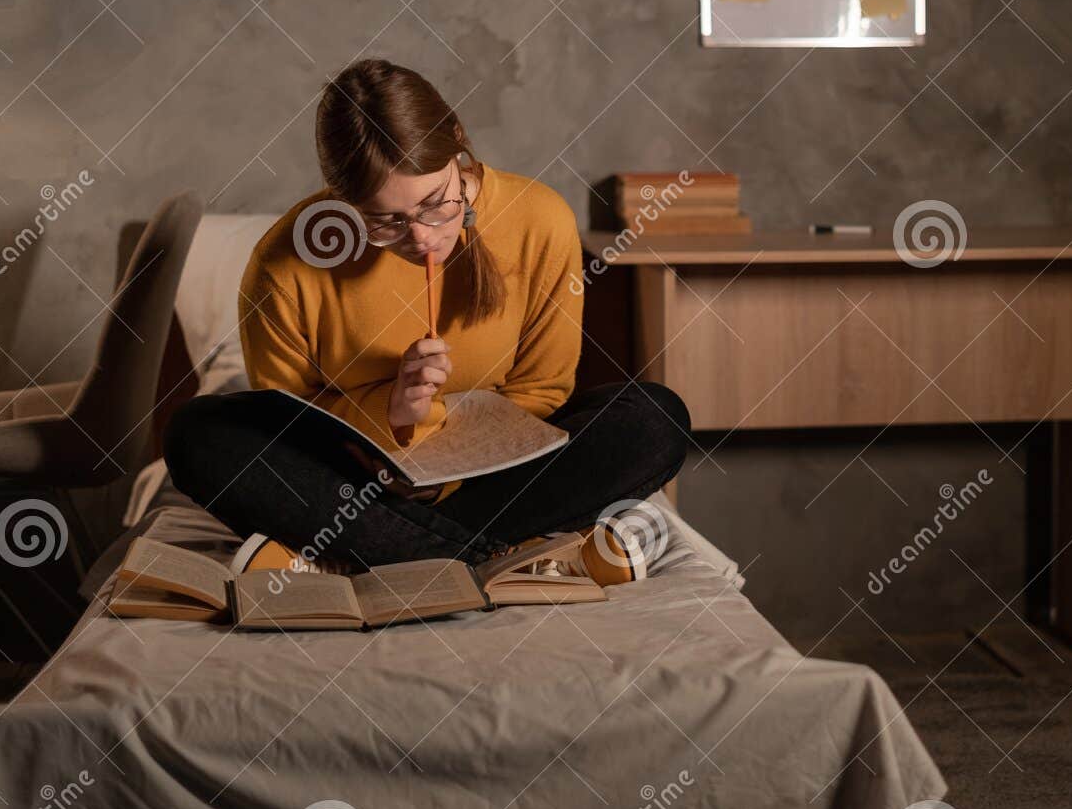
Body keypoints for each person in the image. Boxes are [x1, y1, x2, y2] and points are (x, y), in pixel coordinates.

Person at [164, 58, 689, 583]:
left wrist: (440, 460)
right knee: (197, 433)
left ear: (457, 144)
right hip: (355, 481)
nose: (419, 237)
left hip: (497, 472)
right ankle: (485, 554)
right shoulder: (282, 262)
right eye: (384, 221)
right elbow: (293, 424)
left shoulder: (541, 220)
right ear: (339, 195)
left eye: (435, 203)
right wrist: (390, 415)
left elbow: (542, 392)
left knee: (654, 416)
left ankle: (391, 550)